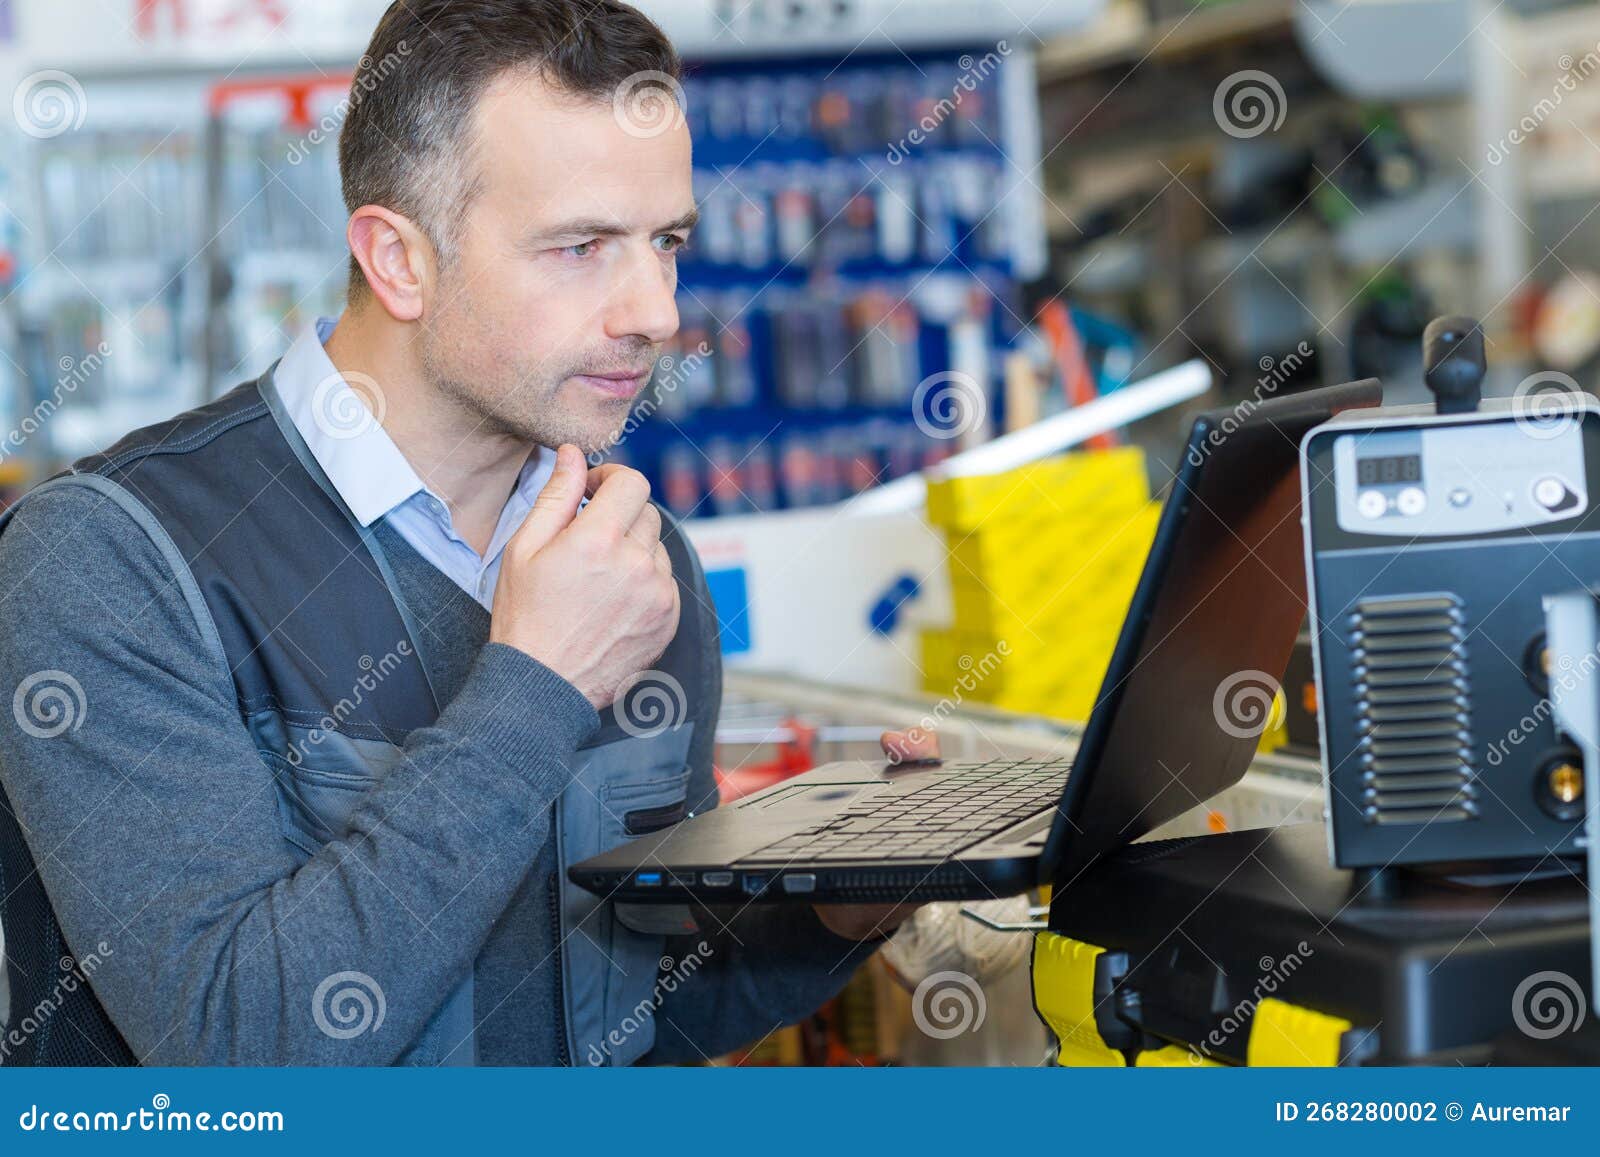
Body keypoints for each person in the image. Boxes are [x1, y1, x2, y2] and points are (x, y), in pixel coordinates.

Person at [0, 0, 934, 1067]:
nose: (658, 312)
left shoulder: (632, 556)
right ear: (398, 260)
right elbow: (241, 1048)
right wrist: (538, 683)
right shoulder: (108, 561)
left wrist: (834, 914)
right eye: (581, 246)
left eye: (666, 242)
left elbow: (644, 1002)